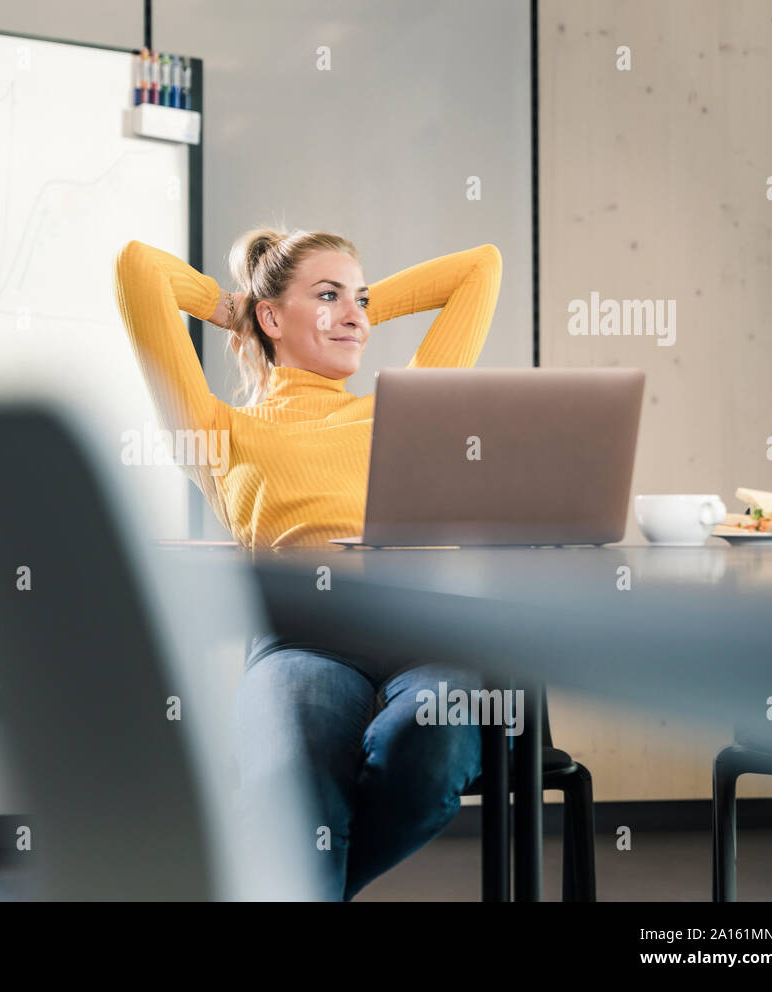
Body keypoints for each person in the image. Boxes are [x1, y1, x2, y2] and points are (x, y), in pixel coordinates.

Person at [112, 228, 502, 900]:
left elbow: (480, 268)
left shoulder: (409, 407)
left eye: (363, 299)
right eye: (330, 296)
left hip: (426, 637)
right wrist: (230, 306)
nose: (356, 316)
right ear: (270, 317)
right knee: (291, 778)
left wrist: (350, 300)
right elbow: (137, 267)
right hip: (303, 641)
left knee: (430, 746)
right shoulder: (216, 431)